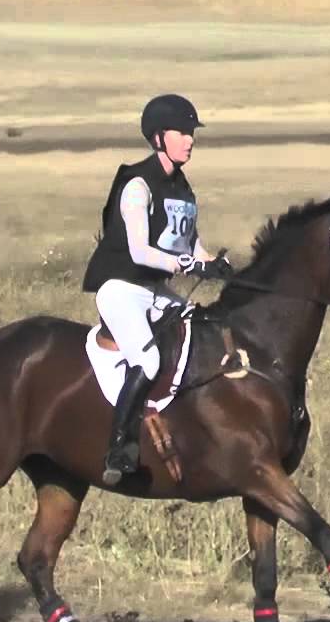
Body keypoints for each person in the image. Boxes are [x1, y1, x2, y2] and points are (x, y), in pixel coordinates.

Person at [82, 94, 233, 485]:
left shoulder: (182, 189)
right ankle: (119, 447)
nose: (190, 140)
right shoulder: (137, 185)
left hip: (153, 291)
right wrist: (189, 265)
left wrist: (214, 264)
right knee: (148, 361)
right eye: (181, 133)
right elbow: (140, 251)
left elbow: (190, 245)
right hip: (120, 289)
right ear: (158, 138)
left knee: (202, 332)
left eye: (191, 133)